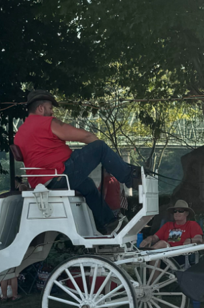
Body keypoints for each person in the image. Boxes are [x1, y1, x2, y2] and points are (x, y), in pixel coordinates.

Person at [12, 90, 140, 234]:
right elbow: (86, 136)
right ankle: (132, 178)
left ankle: (109, 223)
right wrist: (103, 153)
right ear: (40, 108)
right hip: (60, 174)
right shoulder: (46, 123)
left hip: (44, 183)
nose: (52, 112)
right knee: (100, 147)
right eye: (50, 108)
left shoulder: (20, 133)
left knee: (88, 185)